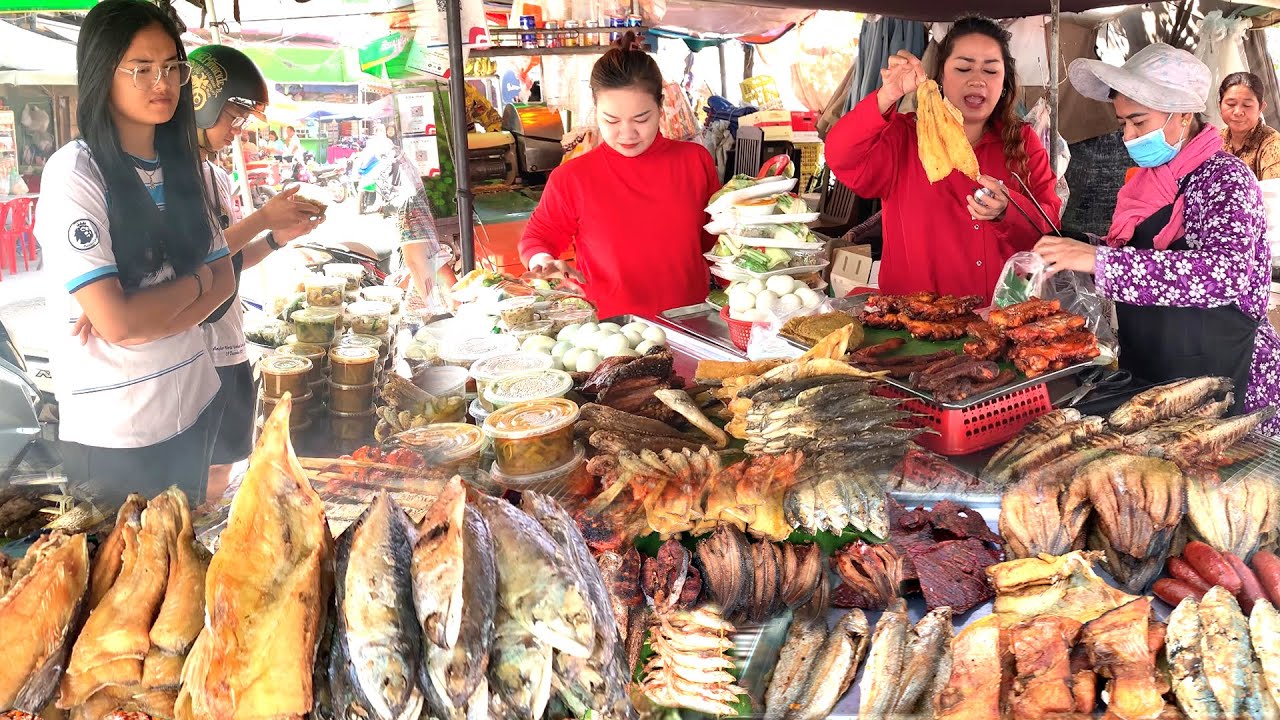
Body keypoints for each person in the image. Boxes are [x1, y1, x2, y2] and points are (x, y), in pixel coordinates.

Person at [35, 0, 236, 505]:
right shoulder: (76, 174)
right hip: (117, 433)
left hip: (195, 403)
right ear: (104, 73)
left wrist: (139, 318)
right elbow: (121, 321)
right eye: (141, 69)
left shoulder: (184, 166)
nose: (162, 82)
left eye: (171, 66)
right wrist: (194, 285)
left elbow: (226, 284)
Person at [1035, 44, 1280, 431]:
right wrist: (1073, 246)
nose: (1129, 137)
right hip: (1155, 368)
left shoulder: (1225, 179)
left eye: (1138, 121)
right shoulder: (1150, 181)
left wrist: (1099, 261)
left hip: (1224, 375)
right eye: (1122, 125)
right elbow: (1138, 253)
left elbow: (1222, 274)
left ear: (1183, 114)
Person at [825, 14, 1061, 302]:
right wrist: (887, 96)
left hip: (1000, 320)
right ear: (940, 77)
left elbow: (1048, 228)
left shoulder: (1023, 141)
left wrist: (1008, 211)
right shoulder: (904, 136)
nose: (977, 80)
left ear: (1005, 82)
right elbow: (841, 156)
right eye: (963, 68)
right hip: (916, 323)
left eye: (991, 71)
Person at [188, 44, 324, 500]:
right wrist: (263, 218)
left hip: (230, 343)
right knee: (196, 479)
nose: (238, 131)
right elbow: (196, 261)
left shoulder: (218, 179)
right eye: (234, 117)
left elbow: (233, 261)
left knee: (224, 465)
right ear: (202, 100)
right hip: (195, 352)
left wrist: (279, 237)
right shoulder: (168, 183)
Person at [518, 31, 719, 318]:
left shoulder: (694, 161)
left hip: (690, 321)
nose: (627, 133)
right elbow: (539, 236)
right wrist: (543, 261)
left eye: (641, 119)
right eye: (611, 120)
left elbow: (715, 242)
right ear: (596, 110)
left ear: (661, 109)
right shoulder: (572, 177)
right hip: (610, 331)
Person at [1219, 71, 1280, 181]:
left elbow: (1274, 194)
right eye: (1231, 104)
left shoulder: (1274, 145)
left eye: (1247, 105)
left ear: (1261, 108)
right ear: (1220, 106)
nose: (1238, 112)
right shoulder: (1215, 140)